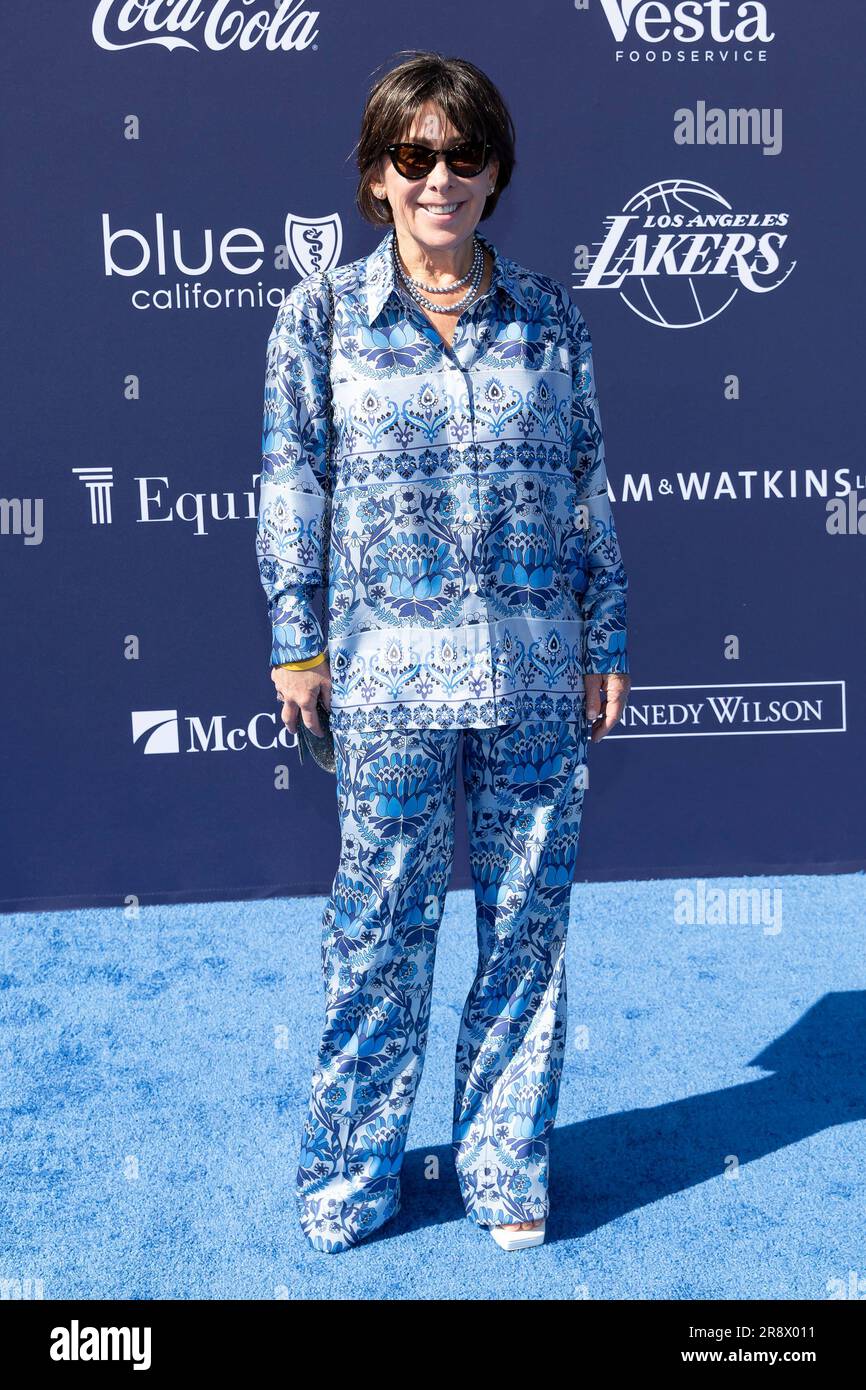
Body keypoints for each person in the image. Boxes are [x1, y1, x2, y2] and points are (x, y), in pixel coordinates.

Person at [256, 50, 631, 1254]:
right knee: (378, 930)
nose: (438, 178)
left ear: (493, 171)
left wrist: (604, 631)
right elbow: (289, 484)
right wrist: (294, 640)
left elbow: (585, 490)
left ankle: (504, 1164)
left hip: (530, 670)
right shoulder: (319, 318)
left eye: (462, 156)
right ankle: (349, 1174)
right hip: (383, 685)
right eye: (413, 156)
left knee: (527, 924)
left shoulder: (551, 318)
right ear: (376, 173)